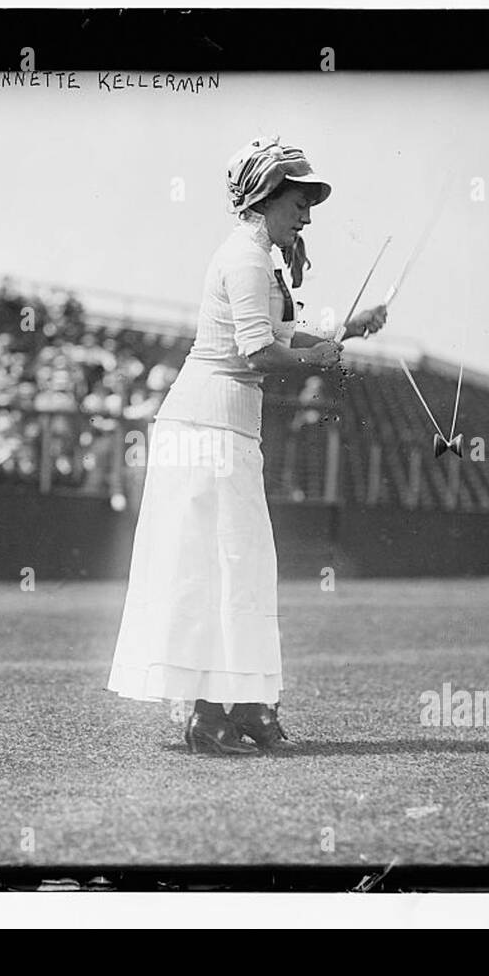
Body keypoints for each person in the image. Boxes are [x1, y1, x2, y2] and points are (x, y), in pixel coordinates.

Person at [106, 136, 387, 755]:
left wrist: (346, 329)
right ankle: (213, 717)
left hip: (223, 429)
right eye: (299, 202)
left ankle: (251, 708)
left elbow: (281, 333)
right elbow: (259, 352)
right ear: (266, 197)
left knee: (244, 568)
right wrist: (319, 357)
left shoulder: (259, 258)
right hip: (206, 432)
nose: (306, 216)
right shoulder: (246, 258)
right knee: (221, 570)